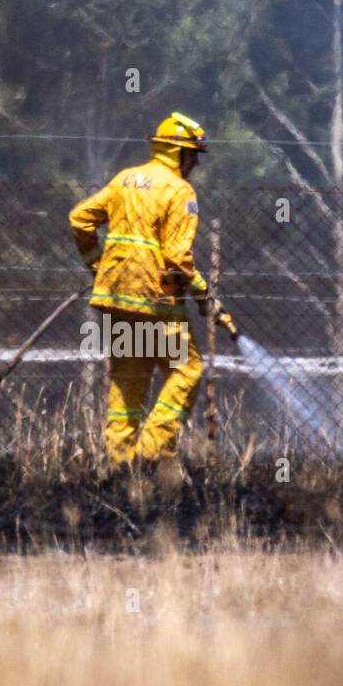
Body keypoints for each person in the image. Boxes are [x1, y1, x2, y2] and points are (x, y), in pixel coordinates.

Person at [69, 112, 236, 464]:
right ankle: (151, 453)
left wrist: (97, 263)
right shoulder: (179, 191)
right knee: (186, 370)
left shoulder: (126, 179)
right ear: (177, 152)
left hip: (119, 302)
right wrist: (205, 296)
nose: (195, 164)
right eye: (193, 155)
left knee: (128, 385)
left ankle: (119, 465)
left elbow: (79, 219)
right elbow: (177, 257)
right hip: (158, 304)